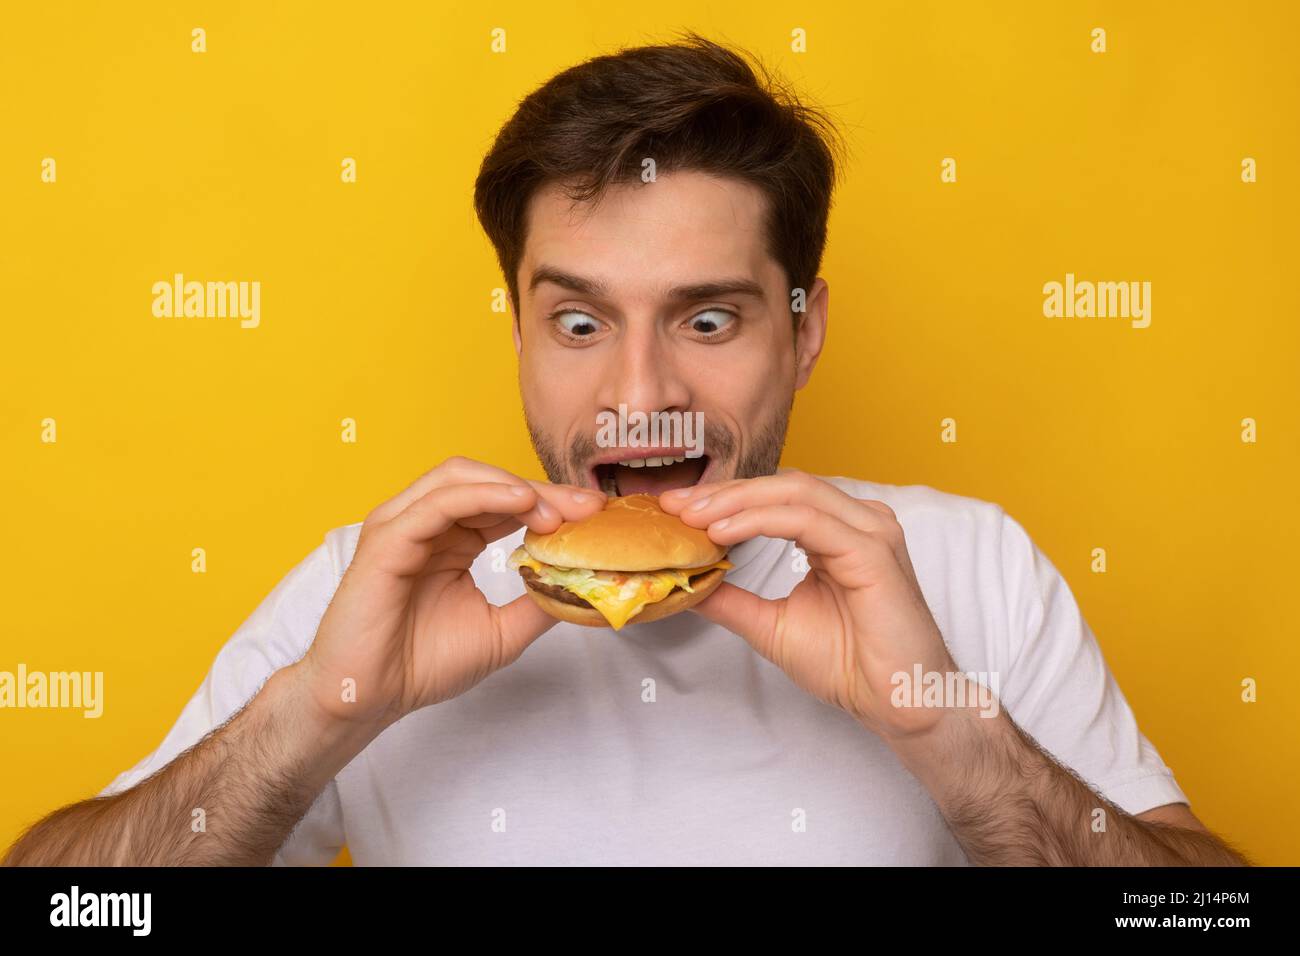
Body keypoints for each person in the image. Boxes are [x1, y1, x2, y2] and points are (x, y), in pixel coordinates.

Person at [4, 35, 1246, 866]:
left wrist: (953, 737)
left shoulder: (966, 565)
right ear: (521, 331)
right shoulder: (375, 587)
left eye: (708, 318)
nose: (640, 393)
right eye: (581, 321)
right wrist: (320, 713)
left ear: (804, 331)